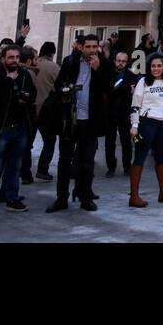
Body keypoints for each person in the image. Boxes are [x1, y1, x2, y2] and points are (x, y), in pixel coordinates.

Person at [46, 34, 114, 213]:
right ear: (81, 47)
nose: (92, 50)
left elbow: (109, 87)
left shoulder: (105, 64)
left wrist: (98, 70)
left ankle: (85, 196)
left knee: (87, 161)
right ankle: (61, 198)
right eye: (88, 47)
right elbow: (59, 84)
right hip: (71, 118)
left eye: (95, 47)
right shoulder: (70, 62)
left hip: (90, 120)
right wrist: (67, 90)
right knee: (65, 160)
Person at [0, 43, 35, 218]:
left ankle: (11, 197)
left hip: (19, 127)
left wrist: (25, 97)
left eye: (17, 57)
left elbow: (33, 94)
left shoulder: (24, 74)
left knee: (14, 167)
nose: (15, 61)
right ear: (3, 58)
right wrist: (9, 81)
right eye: (11, 57)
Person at [128, 54, 163, 206]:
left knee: (162, 158)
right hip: (146, 124)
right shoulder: (143, 82)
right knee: (140, 157)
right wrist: (135, 126)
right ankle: (134, 197)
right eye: (153, 66)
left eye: (159, 66)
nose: (156, 69)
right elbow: (135, 105)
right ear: (149, 67)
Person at [25, 41, 60, 182]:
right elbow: (59, 87)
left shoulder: (33, 65)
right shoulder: (54, 67)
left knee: (27, 143)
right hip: (46, 111)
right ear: (52, 54)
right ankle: (42, 170)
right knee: (50, 141)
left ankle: (25, 173)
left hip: (30, 109)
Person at [106, 51, 135, 178]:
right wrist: (126, 89)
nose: (121, 63)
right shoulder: (109, 74)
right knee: (109, 142)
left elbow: (133, 94)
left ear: (127, 62)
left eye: (123, 61)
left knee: (126, 142)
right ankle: (111, 167)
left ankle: (127, 167)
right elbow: (109, 91)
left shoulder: (131, 75)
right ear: (115, 61)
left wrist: (118, 90)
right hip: (110, 113)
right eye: (119, 61)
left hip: (125, 113)